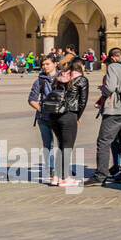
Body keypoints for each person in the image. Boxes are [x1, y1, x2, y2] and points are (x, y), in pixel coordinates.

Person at [84, 48, 121, 187]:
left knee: (103, 141)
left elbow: (110, 87)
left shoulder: (114, 67)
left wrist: (102, 89)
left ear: (114, 58)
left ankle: (100, 175)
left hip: (115, 110)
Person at [48, 58, 90, 187]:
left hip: (54, 114)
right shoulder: (81, 79)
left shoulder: (60, 76)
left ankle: (56, 176)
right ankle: (65, 178)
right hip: (69, 114)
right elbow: (82, 101)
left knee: (61, 145)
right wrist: (78, 116)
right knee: (67, 147)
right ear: (80, 66)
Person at [29, 54, 62, 183]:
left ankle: (63, 168)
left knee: (63, 144)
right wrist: (43, 110)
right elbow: (31, 99)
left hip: (60, 116)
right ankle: (52, 169)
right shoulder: (39, 81)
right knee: (48, 145)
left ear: (55, 64)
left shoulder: (63, 78)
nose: (45, 66)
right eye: (43, 64)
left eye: (47, 64)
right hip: (44, 118)